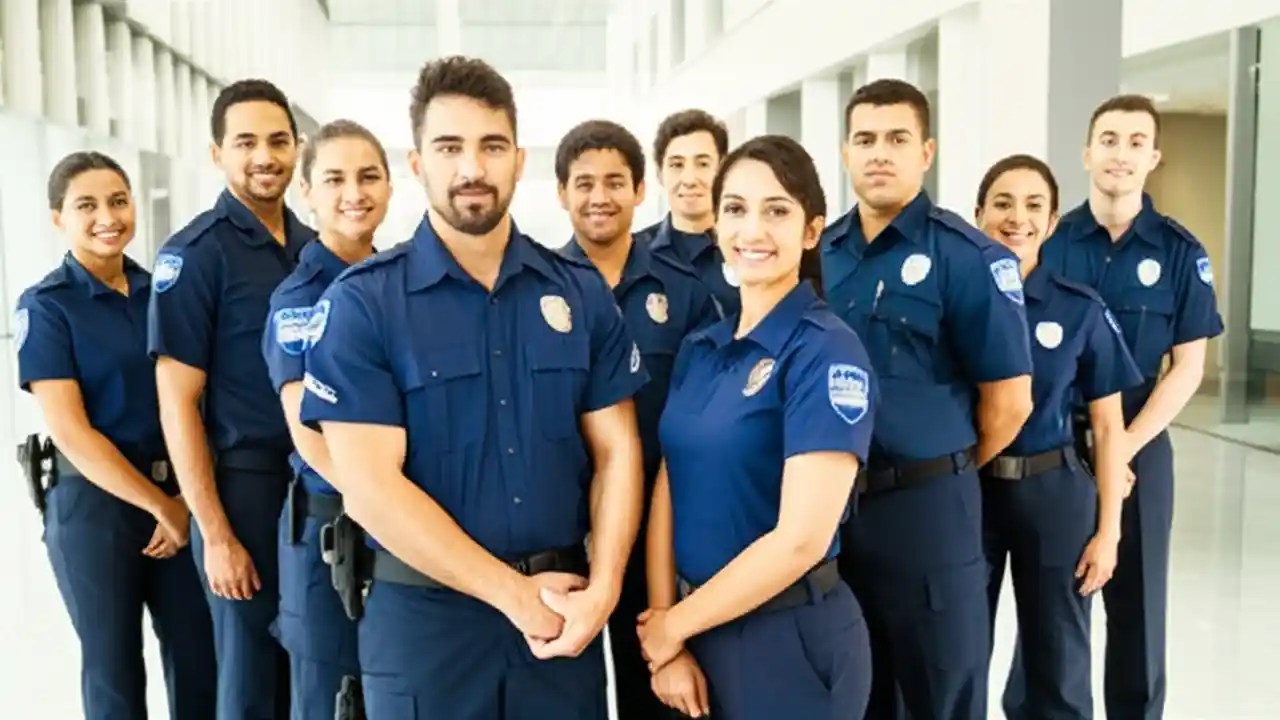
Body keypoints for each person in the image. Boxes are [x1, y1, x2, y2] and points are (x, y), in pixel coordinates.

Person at [298, 56, 648, 719]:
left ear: (519, 160)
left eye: (491, 147)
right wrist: (512, 596)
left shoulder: (579, 294)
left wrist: (604, 590)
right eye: (449, 147)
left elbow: (618, 452)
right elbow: (371, 490)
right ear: (418, 164)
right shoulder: (364, 305)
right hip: (428, 629)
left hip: (562, 622)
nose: (471, 169)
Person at [638, 134, 875, 720]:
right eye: (736, 210)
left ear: (812, 230)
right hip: (697, 638)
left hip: (786, 637)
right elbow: (672, 479)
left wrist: (672, 627)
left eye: (777, 211)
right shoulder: (701, 347)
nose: (753, 231)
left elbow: (801, 540)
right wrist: (668, 638)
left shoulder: (826, 352)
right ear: (716, 226)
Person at [819, 78, 1034, 720]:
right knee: (856, 687)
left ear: (927, 152)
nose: (879, 153)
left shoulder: (969, 257)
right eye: (865, 139)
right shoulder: (819, 253)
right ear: (845, 152)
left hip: (928, 508)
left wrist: (941, 461)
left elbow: (1010, 403)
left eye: (897, 138)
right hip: (833, 510)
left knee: (942, 688)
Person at [1035, 94, 1223, 719]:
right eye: (1109, 139)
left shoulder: (1178, 251)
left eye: (1136, 142)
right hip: (1059, 444)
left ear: (1154, 158)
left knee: (1138, 607)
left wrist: (1125, 450)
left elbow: (1188, 366)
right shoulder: (1051, 244)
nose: (1121, 153)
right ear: (1087, 152)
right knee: (1059, 604)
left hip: (1141, 442)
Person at [16, 151, 216, 719]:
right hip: (96, 508)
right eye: (87, 205)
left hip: (179, 497)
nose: (108, 216)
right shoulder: (48, 305)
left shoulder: (164, 294)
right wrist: (164, 508)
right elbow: (73, 433)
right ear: (58, 218)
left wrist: (185, 503)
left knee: (201, 660)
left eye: (118, 200)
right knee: (115, 674)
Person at [148, 78, 315, 719]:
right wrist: (215, 535)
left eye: (277, 140)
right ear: (217, 151)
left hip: (316, 486)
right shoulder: (194, 257)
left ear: (297, 147)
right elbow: (177, 403)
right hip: (241, 490)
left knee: (309, 666)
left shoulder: (313, 250)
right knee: (248, 675)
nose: (264, 156)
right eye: (245, 142)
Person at [552, 119, 719, 719]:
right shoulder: (538, 287)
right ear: (561, 193)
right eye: (584, 183)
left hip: (659, 520)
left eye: (615, 182)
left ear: (640, 190)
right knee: (562, 685)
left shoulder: (686, 291)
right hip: (563, 525)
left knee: (656, 677)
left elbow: (705, 411)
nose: (600, 196)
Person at [975, 154, 1143, 718]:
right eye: (1002, 203)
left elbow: (1107, 425)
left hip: (1053, 493)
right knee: (959, 647)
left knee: (1058, 654)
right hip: (968, 493)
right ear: (979, 215)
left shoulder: (1079, 308)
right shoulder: (957, 304)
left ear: (1051, 223)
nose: (1015, 217)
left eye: (1032, 206)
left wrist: (1110, 533)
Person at [261, 119, 390, 720]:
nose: (353, 193)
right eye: (334, 179)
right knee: (329, 703)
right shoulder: (298, 299)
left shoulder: (403, 283)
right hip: (334, 531)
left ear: (391, 186)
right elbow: (309, 433)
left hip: (401, 529)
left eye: (368, 176)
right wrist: (391, 508)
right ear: (306, 192)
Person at [637, 109, 739, 317]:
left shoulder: (749, 250)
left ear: (724, 170)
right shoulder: (633, 255)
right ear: (659, 174)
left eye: (702, 164)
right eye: (677, 165)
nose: (690, 179)